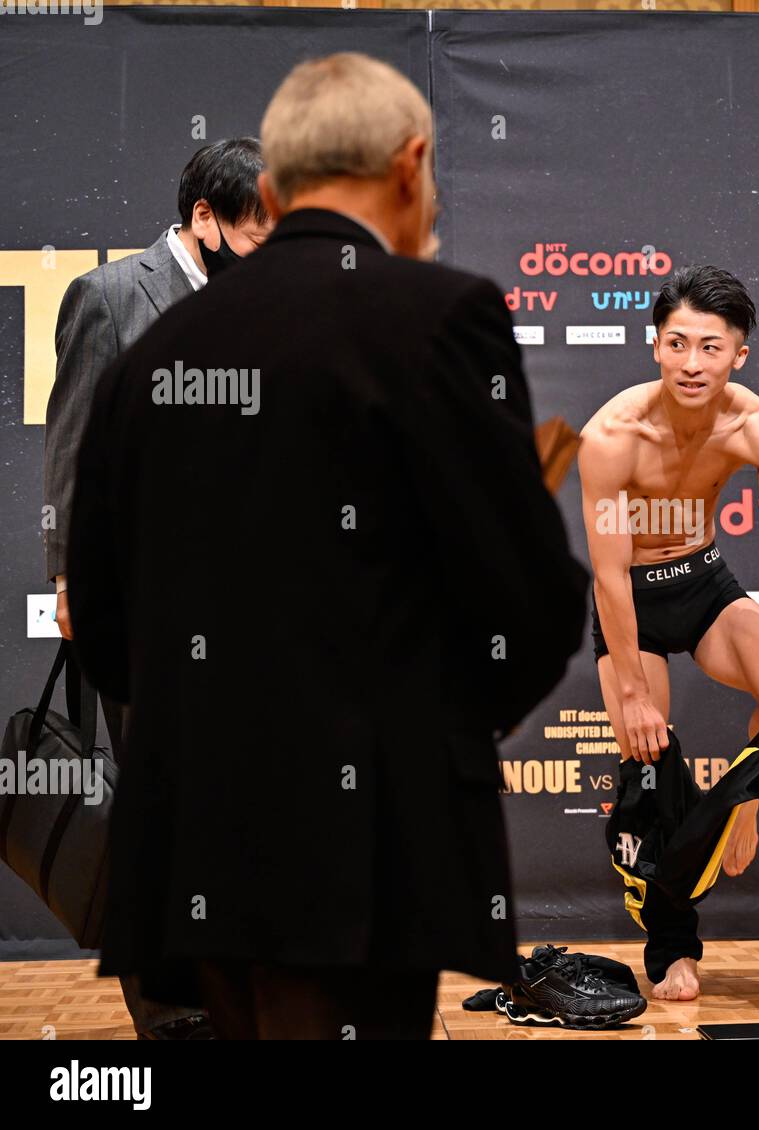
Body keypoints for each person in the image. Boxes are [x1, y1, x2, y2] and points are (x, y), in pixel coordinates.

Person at [65, 52, 588, 1039]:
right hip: (371, 844)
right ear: (412, 164)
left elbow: (101, 617)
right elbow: (529, 599)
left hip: (195, 842)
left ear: (270, 190)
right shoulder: (442, 315)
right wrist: (432, 726)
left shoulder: (156, 351)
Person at [42, 138, 271, 1040]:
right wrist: (65, 574)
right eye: (257, 236)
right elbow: (70, 447)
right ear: (204, 220)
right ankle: (165, 1004)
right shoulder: (110, 295)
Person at [578, 264, 759, 1002]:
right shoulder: (611, 437)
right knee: (647, 765)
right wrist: (631, 688)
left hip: (703, 581)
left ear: (738, 354)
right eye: (677, 343)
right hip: (632, 606)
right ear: (654, 344)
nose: (692, 363)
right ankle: (671, 944)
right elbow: (612, 577)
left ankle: (742, 805)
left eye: (710, 348)